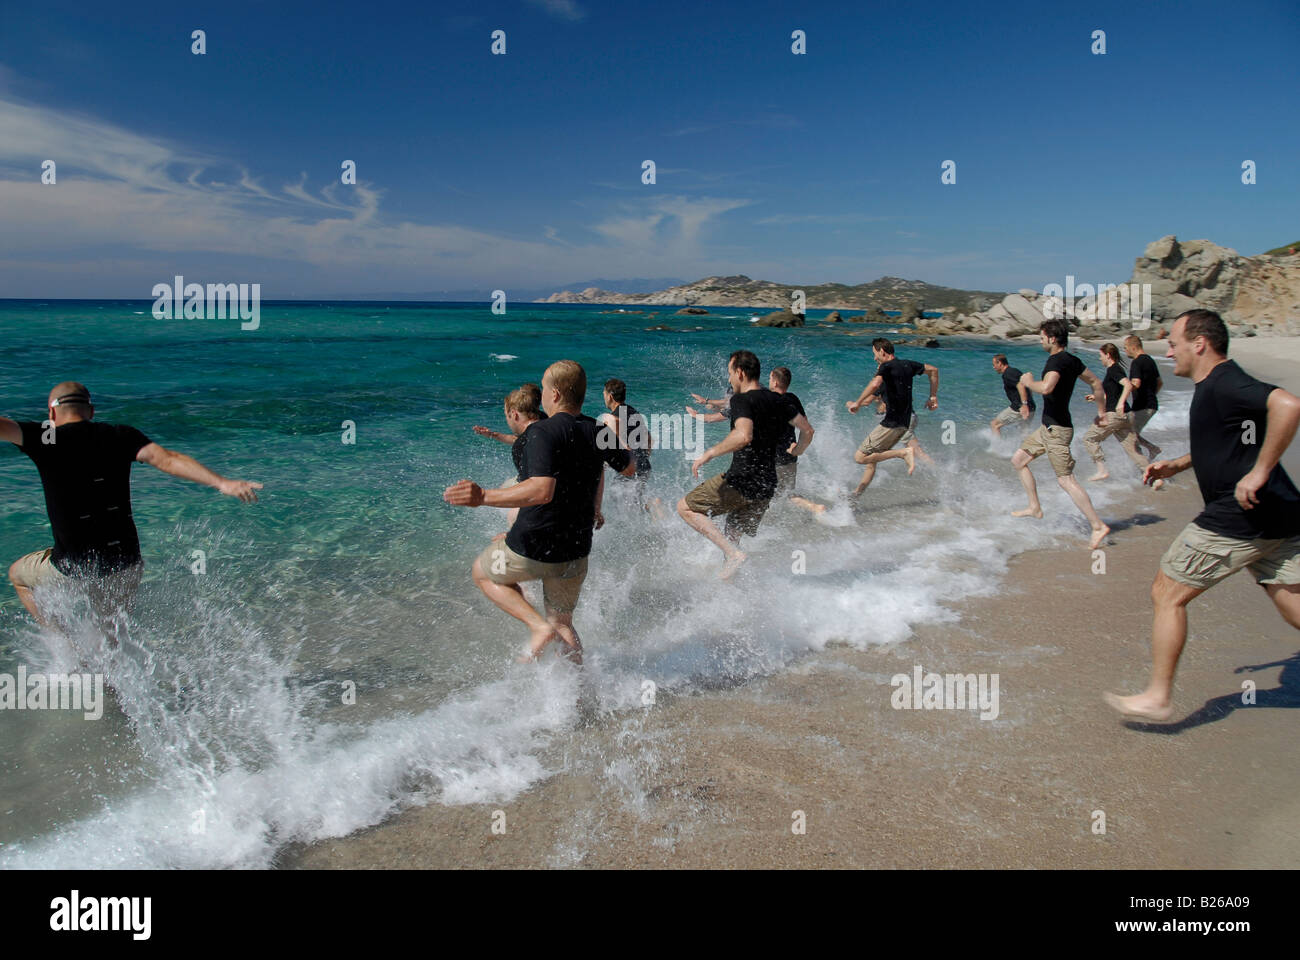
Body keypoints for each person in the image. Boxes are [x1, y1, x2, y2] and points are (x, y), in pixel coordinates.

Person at [1105, 310, 1300, 721]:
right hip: (1279, 513)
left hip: (1239, 516)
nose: (1169, 350)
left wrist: (1260, 471)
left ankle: (1158, 696)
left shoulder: (1225, 382)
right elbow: (1231, 443)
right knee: (1294, 608)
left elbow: (1288, 404)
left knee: (1166, 592)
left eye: (1174, 343)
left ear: (1200, 344)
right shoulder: (1216, 386)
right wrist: (1178, 463)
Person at [2, 382, 262, 634]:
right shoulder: (120, 435)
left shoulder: (44, 437)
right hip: (125, 563)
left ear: (51, 413)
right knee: (109, 638)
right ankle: (108, 675)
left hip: (73, 566)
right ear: (91, 411)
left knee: (18, 576)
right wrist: (222, 483)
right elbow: (168, 459)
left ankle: (66, 646)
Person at [444, 361, 635, 664]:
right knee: (564, 623)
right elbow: (628, 467)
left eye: (544, 388)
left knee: (481, 573)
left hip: (536, 546)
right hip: (576, 549)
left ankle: (536, 627)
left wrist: (483, 496)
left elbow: (540, 490)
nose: (542, 394)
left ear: (556, 394)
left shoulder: (542, 432)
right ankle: (580, 698)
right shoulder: (598, 430)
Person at [677, 350, 812, 579]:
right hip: (766, 487)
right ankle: (730, 583)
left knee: (685, 507)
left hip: (741, 480)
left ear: (740, 373)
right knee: (732, 531)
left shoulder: (742, 400)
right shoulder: (778, 400)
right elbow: (807, 430)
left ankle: (732, 555)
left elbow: (743, 436)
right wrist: (798, 449)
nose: (729, 378)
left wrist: (708, 453)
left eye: (730, 373)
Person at [1009, 320, 1111, 548]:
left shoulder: (1057, 361)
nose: (1041, 340)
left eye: (1042, 336)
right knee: (1018, 460)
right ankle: (1034, 507)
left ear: (1052, 338)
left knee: (1066, 480)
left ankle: (1098, 526)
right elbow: (1096, 382)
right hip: (1048, 428)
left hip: (1057, 430)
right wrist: (1101, 412)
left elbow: (1047, 388)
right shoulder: (1072, 360)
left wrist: (1027, 382)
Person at [845, 338, 937, 497]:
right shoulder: (908, 365)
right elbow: (934, 370)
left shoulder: (886, 368)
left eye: (875, 354)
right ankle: (856, 495)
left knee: (860, 457)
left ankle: (902, 453)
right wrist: (933, 397)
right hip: (904, 421)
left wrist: (855, 403)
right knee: (871, 460)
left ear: (882, 351)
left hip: (891, 423)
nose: (875, 358)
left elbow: (873, 387)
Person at [472, 383, 548, 529]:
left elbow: (535, 486)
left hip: (536, 487)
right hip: (546, 482)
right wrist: (493, 435)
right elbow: (517, 439)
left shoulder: (524, 444)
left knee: (511, 514)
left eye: (507, 415)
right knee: (502, 489)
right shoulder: (543, 420)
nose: (507, 420)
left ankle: (512, 535)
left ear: (514, 414)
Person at [1080, 343, 1158, 484]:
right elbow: (1111, 394)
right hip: (1125, 417)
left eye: (1101, 356)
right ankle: (1155, 479)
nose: (1100, 359)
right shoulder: (1114, 370)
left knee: (1089, 438)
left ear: (1108, 355)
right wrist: (1095, 397)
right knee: (1134, 451)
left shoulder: (1114, 370)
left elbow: (1128, 385)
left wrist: (1121, 403)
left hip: (1116, 415)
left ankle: (1102, 470)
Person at [597, 378, 663, 520]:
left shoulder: (612, 418)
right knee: (633, 502)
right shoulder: (634, 412)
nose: (604, 398)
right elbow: (649, 438)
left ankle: (650, 504)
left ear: (610, 396)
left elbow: (612, 445)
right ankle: (650, 511)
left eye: (604, 394)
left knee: (617, 496)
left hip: (630, 466)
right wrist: (643, 457)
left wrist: (604, 463)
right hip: (644, 465)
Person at [768, 366, 825, 514]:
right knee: (786, 493)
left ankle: (763, 530)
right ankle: (814, 507)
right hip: (790, 456)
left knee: (767, 495)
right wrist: (799, 449)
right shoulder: (793, 398)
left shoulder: (770, 401)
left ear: (775, 382)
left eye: (770, 378)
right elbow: (805, 425)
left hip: (773, 458)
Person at [1123, 334, 1163, 460]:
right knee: (1132, 434)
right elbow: (1160, 382)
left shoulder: (1137, 362)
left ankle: (1146, 463)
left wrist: (1122, 393)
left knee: (1130, 436)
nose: (1125, 351)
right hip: (1150, 404)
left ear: (1133, 347)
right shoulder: (1150, 360)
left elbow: (1136, 383)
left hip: (1143, 406)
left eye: (1125, 348)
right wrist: (1151, 395)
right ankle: (1150, 452)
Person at [990, 354, 1035, 436]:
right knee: (1024, 434)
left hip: (1019, 408)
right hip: (1031, 407)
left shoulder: (1008, 374)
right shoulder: (1015, 371)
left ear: (999, 363)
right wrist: (1029, 402)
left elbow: (1021, 386)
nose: (993, 367)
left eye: (994, 365)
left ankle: (997, 448)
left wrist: (1024, 405)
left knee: (994, 425)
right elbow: (1027, 385)